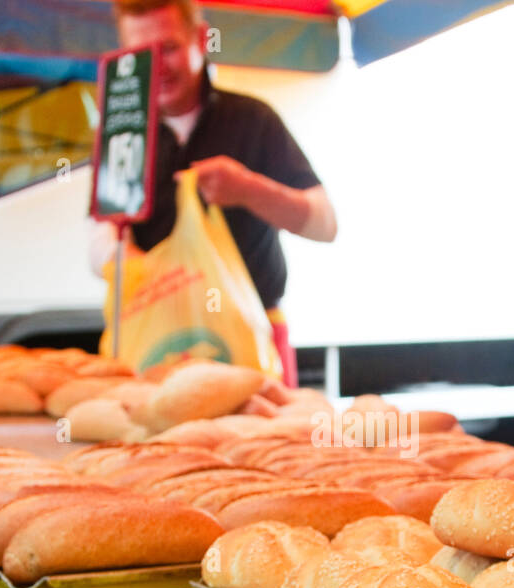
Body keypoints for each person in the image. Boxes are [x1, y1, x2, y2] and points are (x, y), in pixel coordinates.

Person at [91, 0, 337, 385]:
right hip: (157, 346)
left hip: (254, 344)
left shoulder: (253, 120)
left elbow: (325, 224)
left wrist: (250, 190)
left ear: (202, 39)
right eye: (143, 53)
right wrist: (122, 255)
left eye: (168, 48)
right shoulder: (122, 135)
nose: (158, 66)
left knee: (268, 446)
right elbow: (98, 243)